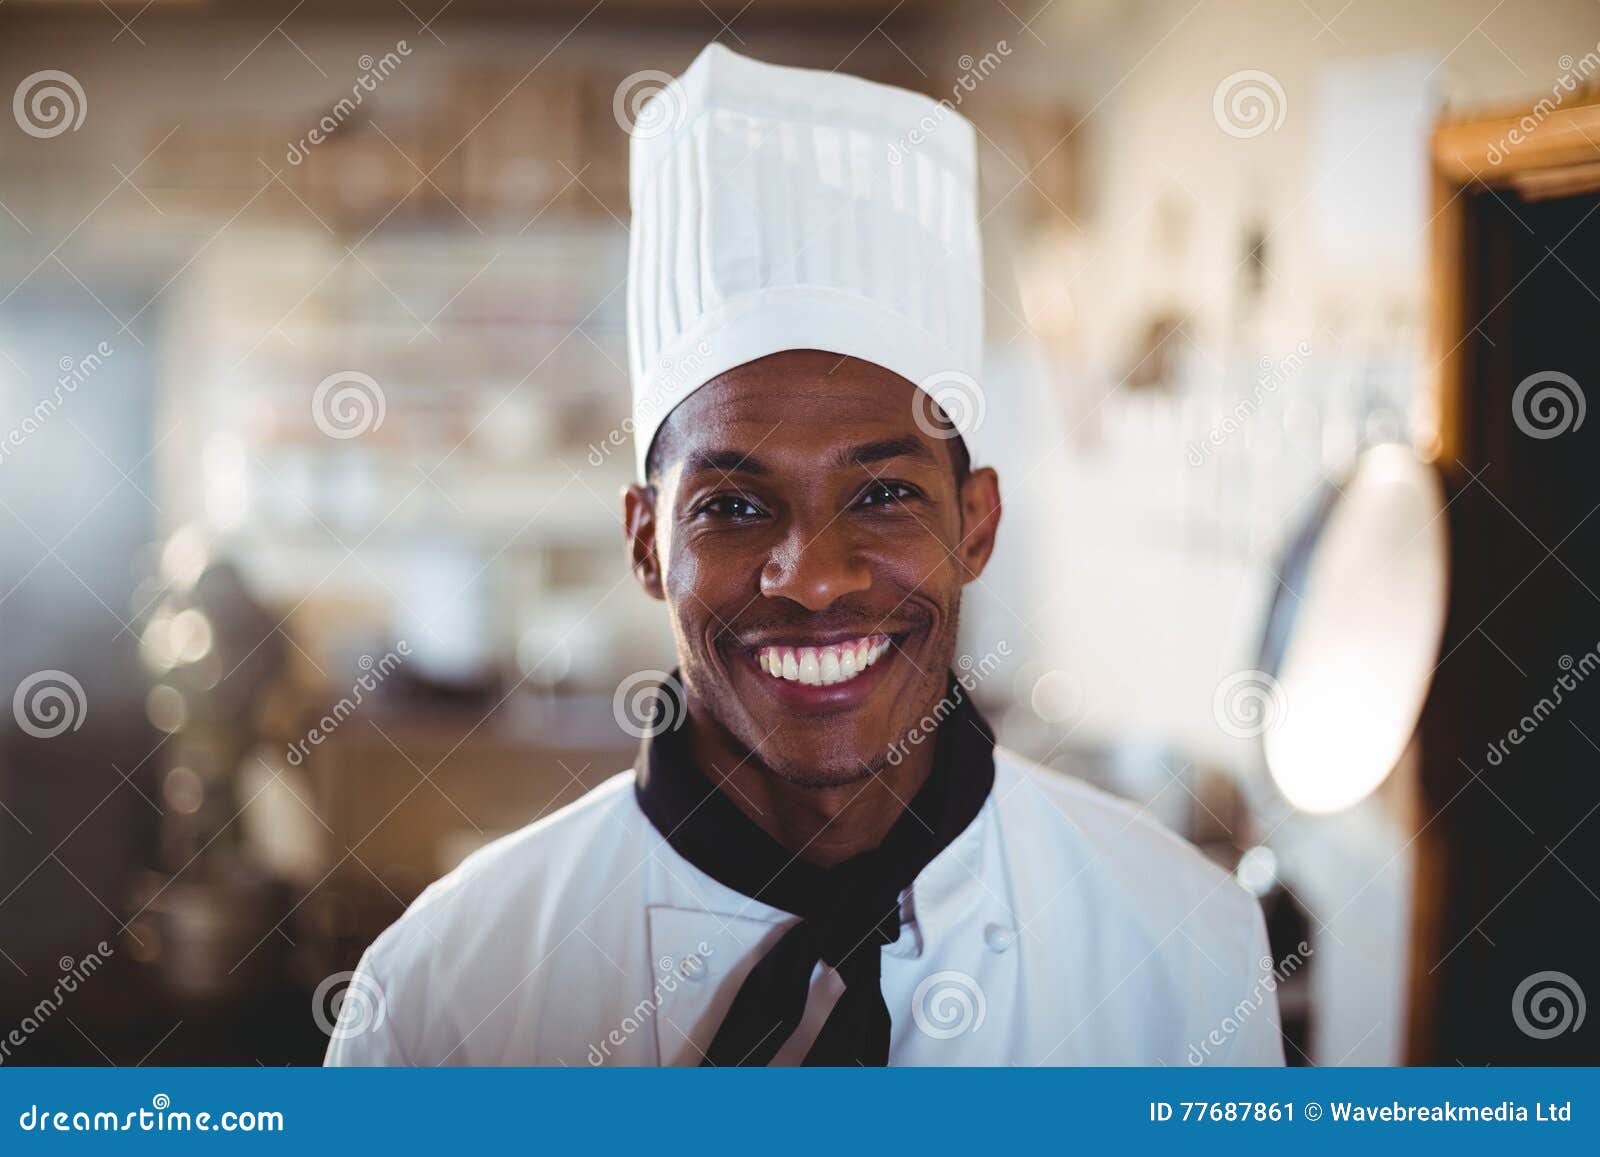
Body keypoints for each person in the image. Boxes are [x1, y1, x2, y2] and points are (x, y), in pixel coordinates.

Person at [325, 42, 1283, 1067]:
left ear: (975, 524)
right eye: (734, 505)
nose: (815, 575)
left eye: (881, 494)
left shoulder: (1181, 947)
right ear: (646, 544)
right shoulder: (445, 989)